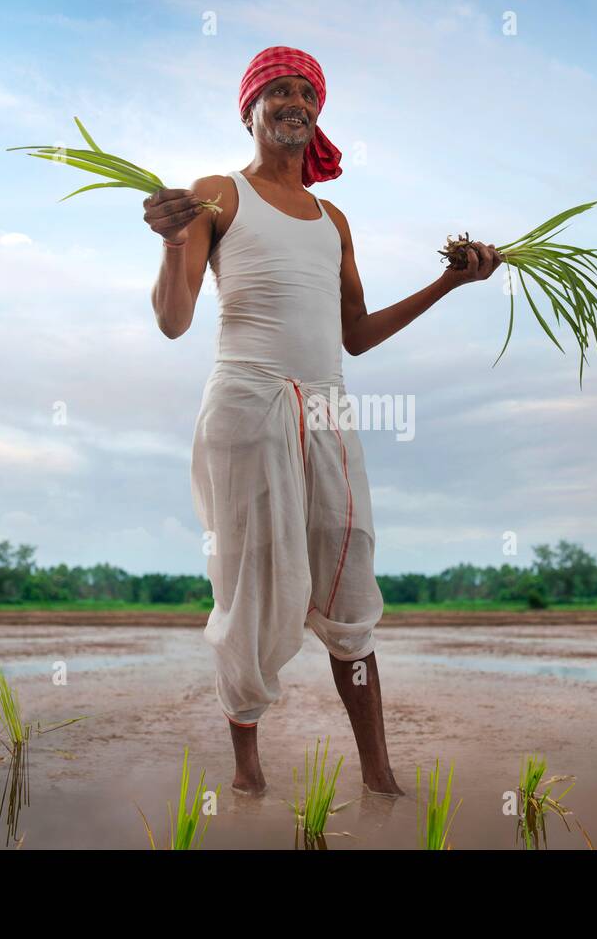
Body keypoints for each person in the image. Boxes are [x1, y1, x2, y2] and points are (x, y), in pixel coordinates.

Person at [146, 46, 502, 795]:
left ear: (319, 112)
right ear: (249, 109)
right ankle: (248, 776)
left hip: (329, 412)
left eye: (306, 92)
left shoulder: (332, 218)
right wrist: (176, 241)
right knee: (247, 589)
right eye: (277, 90)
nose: (293, 102)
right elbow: (175, 323)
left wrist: (449, 280)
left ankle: (380, 778)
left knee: (351, 584)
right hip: (246, 409)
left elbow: (357, 335)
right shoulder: (219, 194)